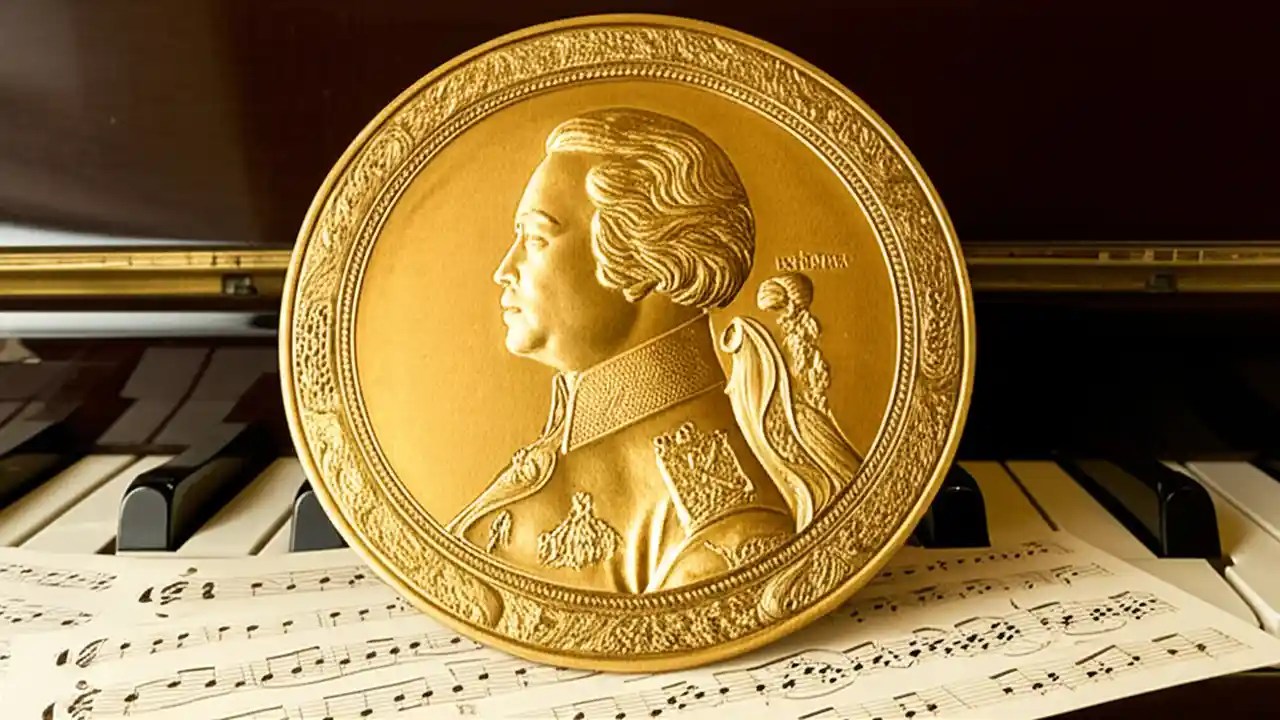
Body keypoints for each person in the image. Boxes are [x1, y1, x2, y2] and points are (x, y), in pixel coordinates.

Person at [446, 107, 798, 593]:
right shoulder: (566, 445)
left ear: (645, 258)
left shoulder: (722, 538)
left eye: (536, 238)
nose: (504, 269)